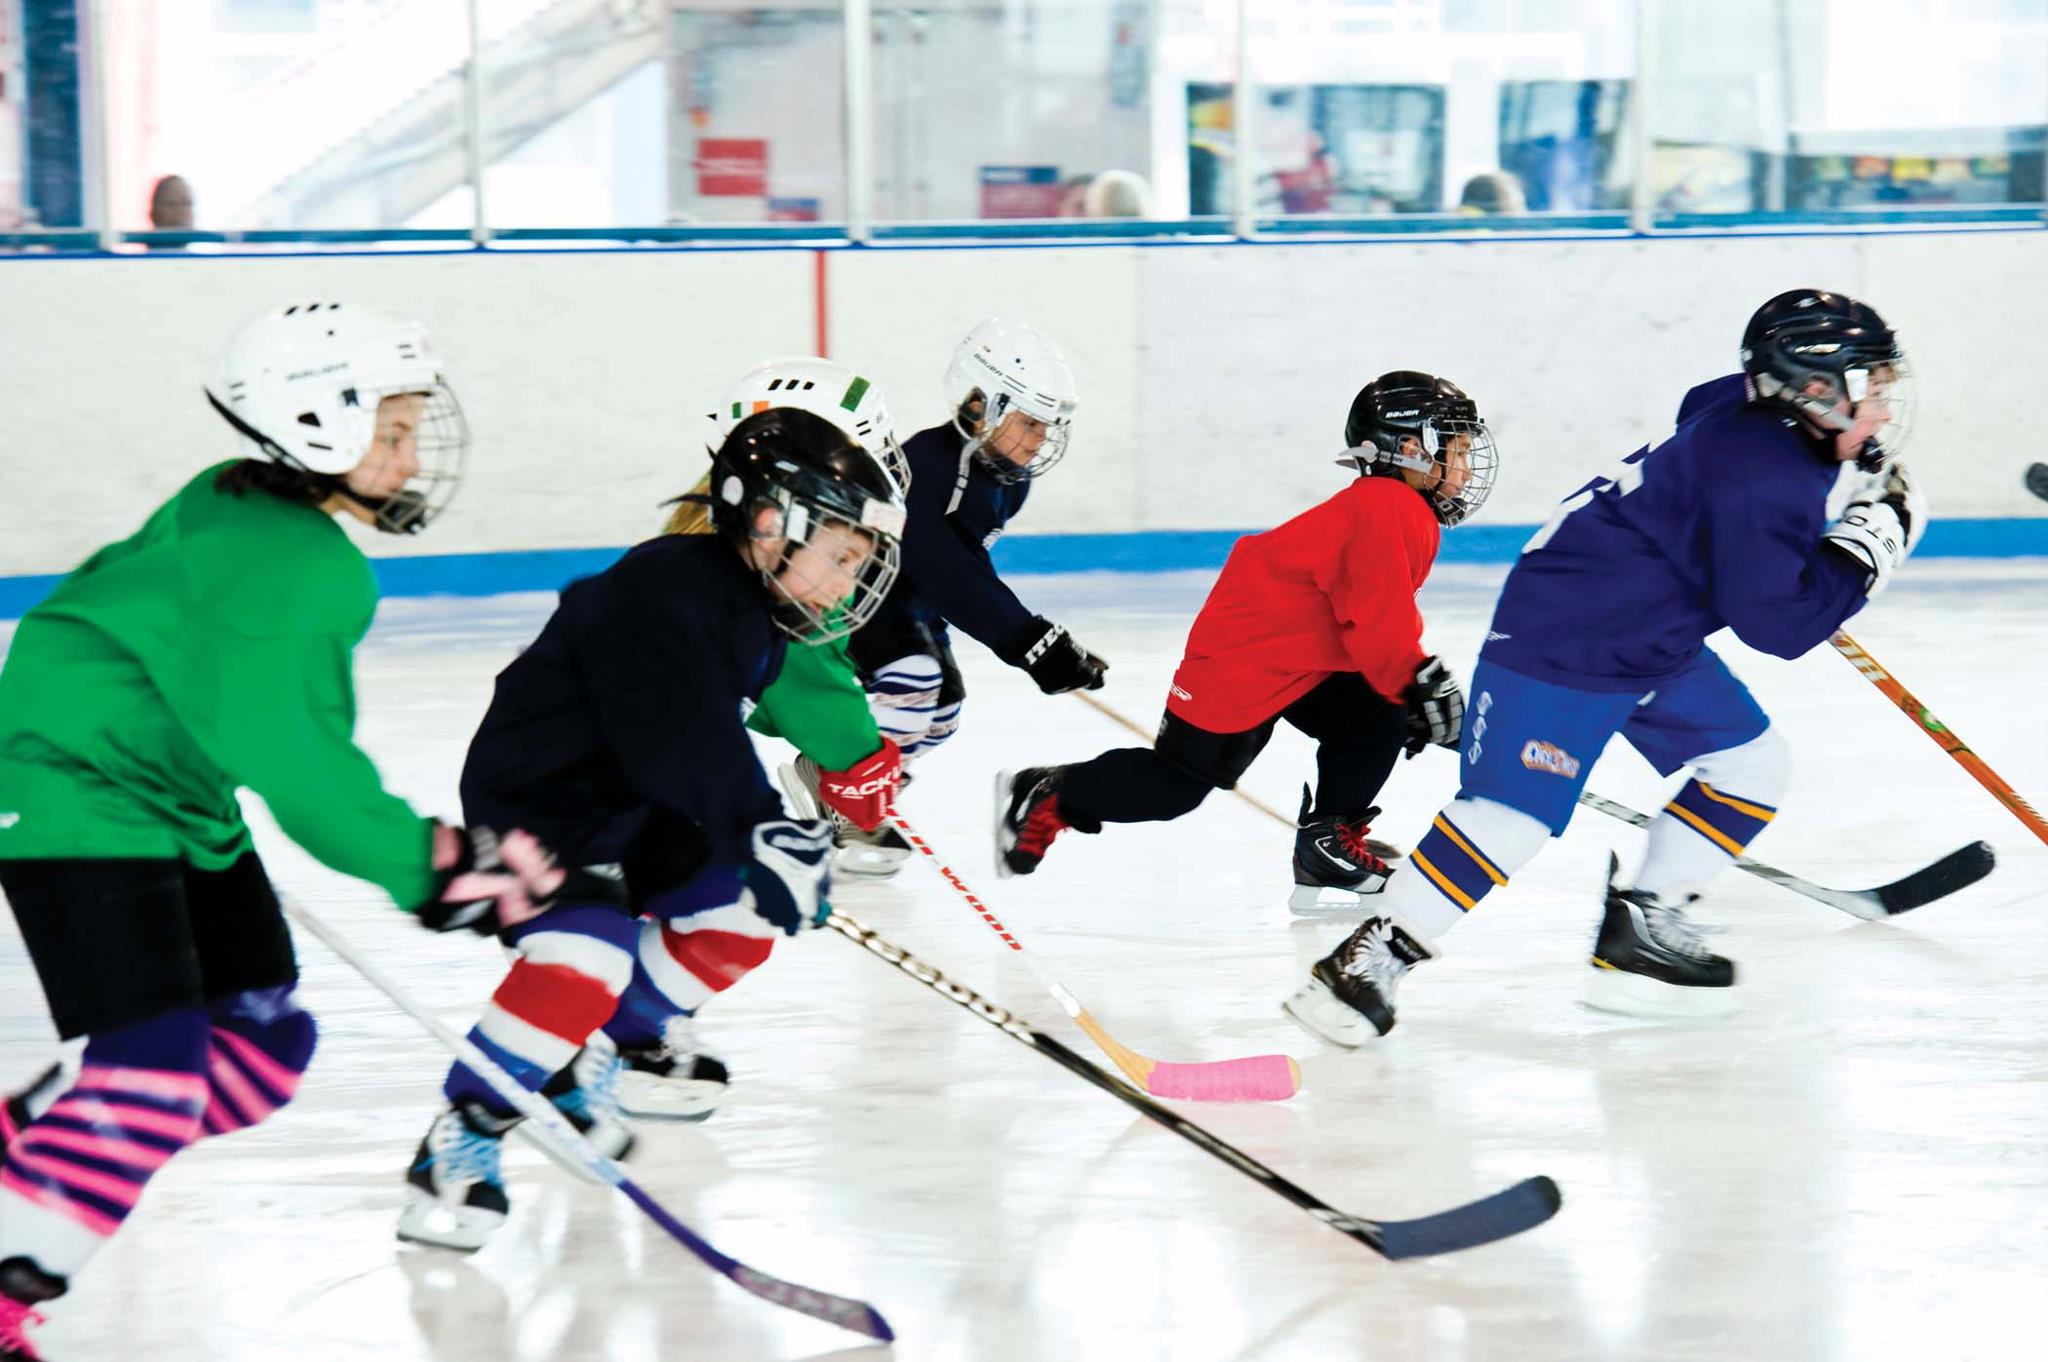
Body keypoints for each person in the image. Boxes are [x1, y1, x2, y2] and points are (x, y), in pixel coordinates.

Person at [0, 302, 562, 1360]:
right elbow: (303, 774)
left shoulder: (245, 502)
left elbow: (228, 711)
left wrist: (441, 864)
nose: (408, 455)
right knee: (151, 1078)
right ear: (313, 424)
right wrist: (432, 864)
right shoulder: (301, 567)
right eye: (389, 432)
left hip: (170, 796)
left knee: (260, 1047)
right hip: (72, 791)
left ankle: (34, 1136)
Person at [1283, 289, 1922, 1047]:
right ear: (1813, 389)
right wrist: (1868, 548)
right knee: (1511, 815)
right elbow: (1778, 627)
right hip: (1569, 636)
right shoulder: (1764, 476)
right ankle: (1367, 961)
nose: (1882, 409)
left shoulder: (1751, 417)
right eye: (1870, 389)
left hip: (1650, 633)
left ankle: (1641, 924)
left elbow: (1701, 404)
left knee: (1750, 764)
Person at [397, 407, 906, 1251]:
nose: (848, 585)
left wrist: (772, 838)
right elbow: (684, 735)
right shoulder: (667, 585)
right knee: (586, 953)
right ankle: (462, 1140)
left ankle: (589, 1052)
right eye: (842, 558)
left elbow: (703, 747)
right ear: (774, 521)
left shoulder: (757, 618)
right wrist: (762, 828)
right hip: (542, 804)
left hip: (638, 806)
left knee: (744, 918)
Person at [994, 373, 1498, 911]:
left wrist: (1409, 690)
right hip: (1244, 657)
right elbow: (1376, 617)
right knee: (1176, 787)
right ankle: (1047, 792)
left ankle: (1326, 845)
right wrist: (1414, 680)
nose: (1466, 468)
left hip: (1307, 661)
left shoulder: (1401, 510)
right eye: (1458, 448)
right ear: (1411, 448)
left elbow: (1366, 615)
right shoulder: (1386, 507)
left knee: (1379, 718)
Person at [819, 318, 1106, 879]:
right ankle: (847, 802)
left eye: (1047, 427)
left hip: (906, 601)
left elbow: (967, 567)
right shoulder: (931, 465)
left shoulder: (1007, 479)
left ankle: (847, 778)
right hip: (853, 594)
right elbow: (941, 567)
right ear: (981, 406)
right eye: (1027, 422)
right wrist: (1028, 640)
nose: (1040, 439)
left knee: (942, 712)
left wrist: (1043, 642)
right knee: (912, 682)